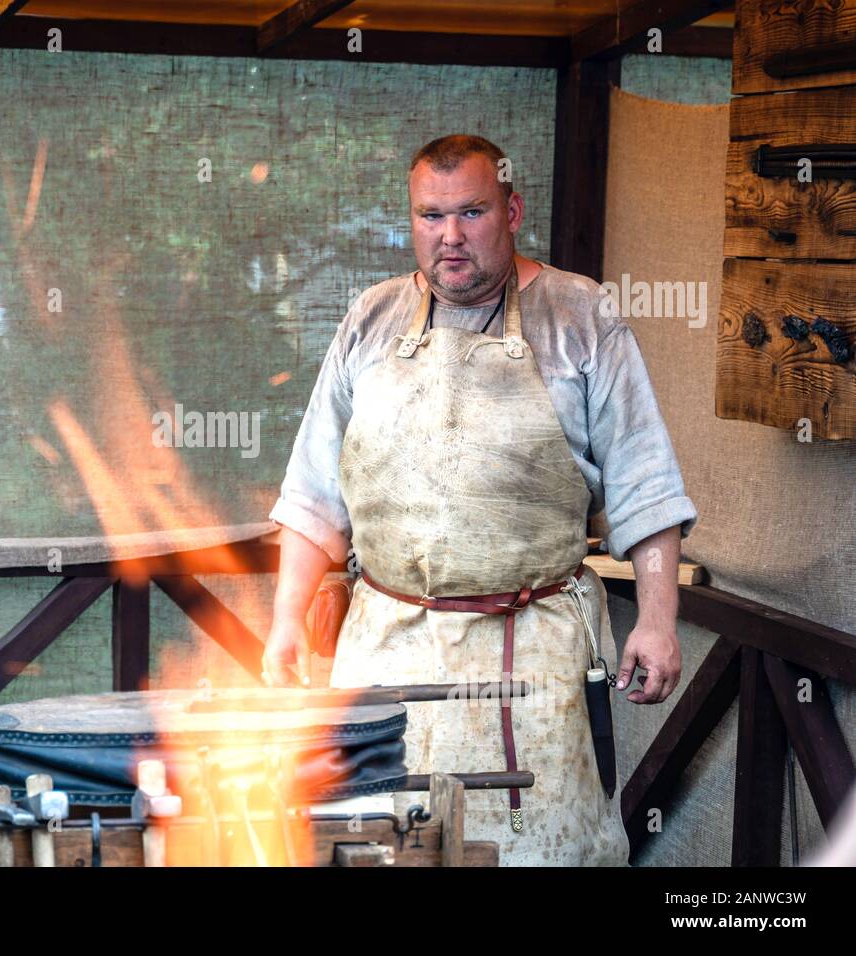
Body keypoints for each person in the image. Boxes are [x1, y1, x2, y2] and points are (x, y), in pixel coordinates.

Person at [263, 134, 697, 866]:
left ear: (513, 210)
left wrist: (658, 621)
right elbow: (314, 498)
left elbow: (645, 485)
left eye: (471, 212)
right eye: (431, 217)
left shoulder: (581, 316)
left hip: (530, 655)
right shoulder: (371, 320)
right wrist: (281, 623)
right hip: (384, 650)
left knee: (537, 852)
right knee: (375, 848)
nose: (450, 237)